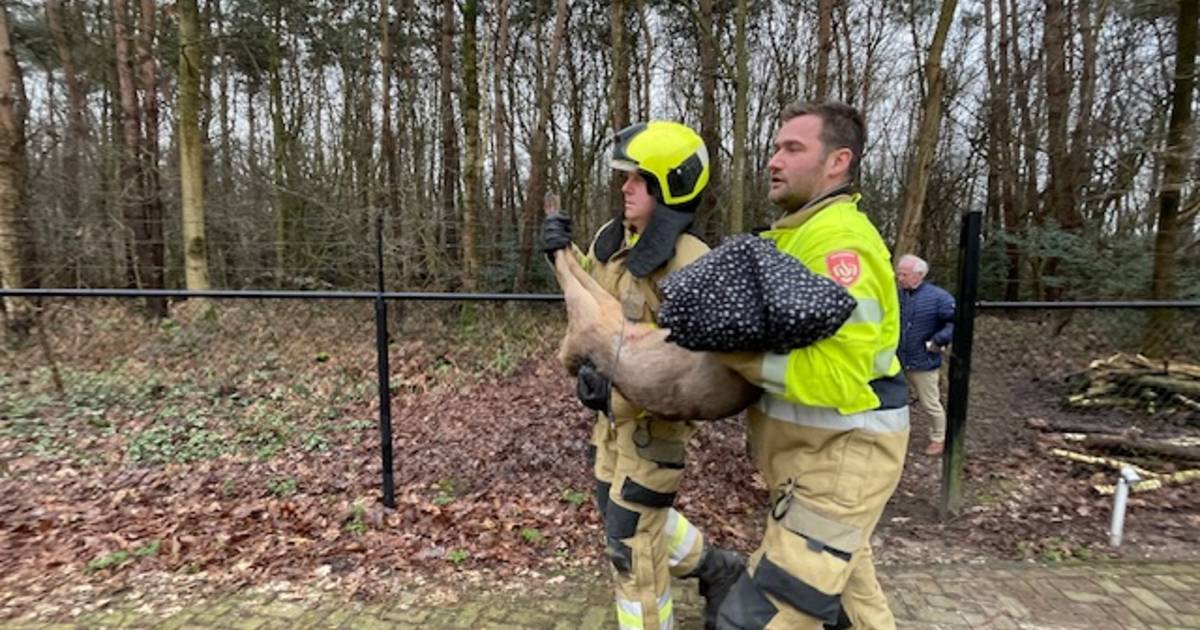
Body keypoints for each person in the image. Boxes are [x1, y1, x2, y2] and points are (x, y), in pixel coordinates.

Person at [540, 120, 745, 630]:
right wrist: (560, 260)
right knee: (624, 521)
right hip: (608, 425)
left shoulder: (691, 262)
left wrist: (623, 379)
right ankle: (718, 569)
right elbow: (591, 310)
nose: (624, 187)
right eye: (625, 177)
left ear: (670, 185)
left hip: (654, 433)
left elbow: (693, 367)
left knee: (631, 550)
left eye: (638, 179)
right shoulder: (613, 240)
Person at [714, 101, 909, 629]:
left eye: (792, 149)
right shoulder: (793, 235)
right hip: (810, 464)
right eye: (775, 147)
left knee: (760, 618)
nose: (773, 160)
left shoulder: (839, 244)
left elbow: (839, 374)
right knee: (855, 607)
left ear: (837, 162)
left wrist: (734, 352)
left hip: (842, 462)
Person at [896, 254, 955, 457]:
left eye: (904, 274)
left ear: (918, 275)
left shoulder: (939, 298)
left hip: (924, 360)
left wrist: (938, 341)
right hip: (897, 359)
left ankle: (939, 438)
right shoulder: (897, 295)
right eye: (899, 274)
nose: (900, 278)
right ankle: (896, 436)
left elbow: (955, 322)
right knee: (895, 399)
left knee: (930, 403)